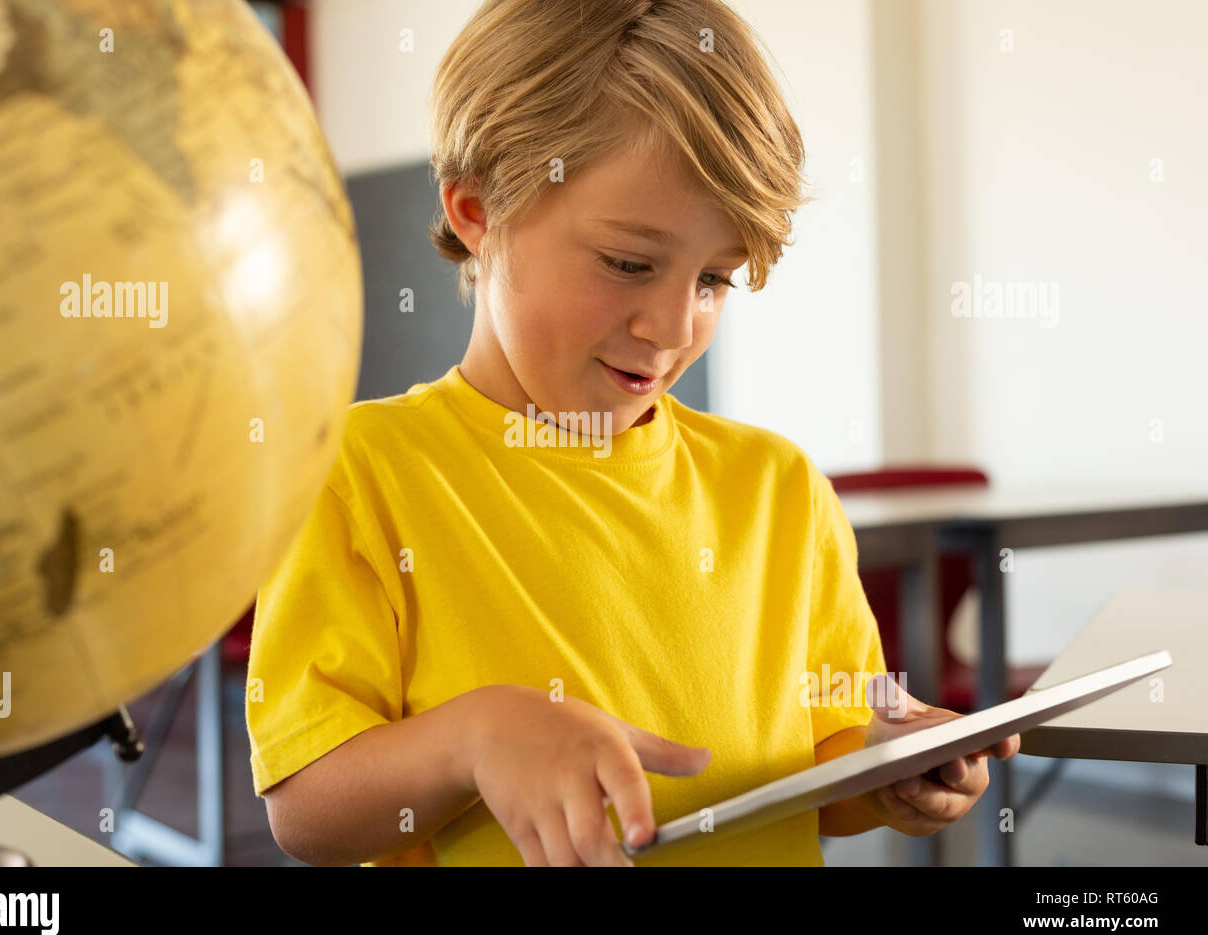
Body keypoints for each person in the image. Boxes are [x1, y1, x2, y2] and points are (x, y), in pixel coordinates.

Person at [245, 0, 1018, 867]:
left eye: (716, 280)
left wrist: (892, 766)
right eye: (628, 263)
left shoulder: (779, 489)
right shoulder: (360, 471)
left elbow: (824, 748)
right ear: (477, 210)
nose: (672, 326)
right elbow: (304, 807)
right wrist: (472, 740)